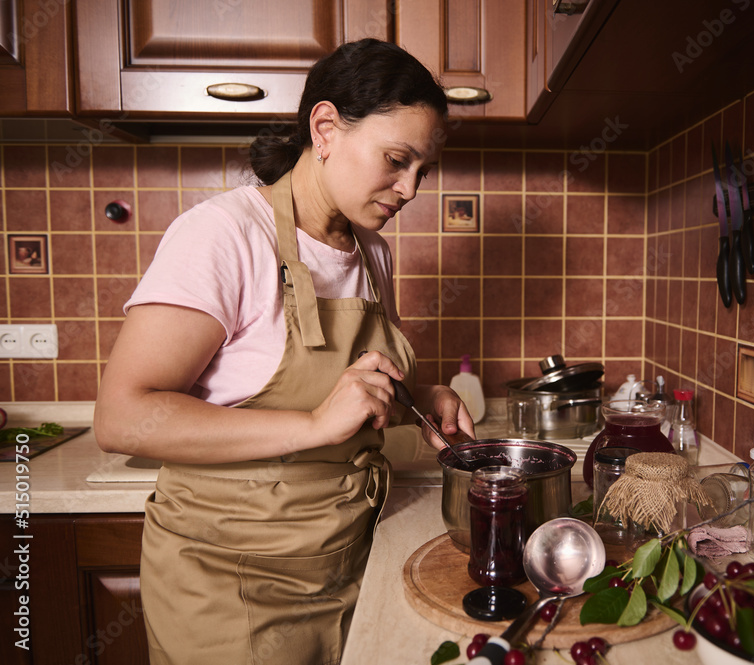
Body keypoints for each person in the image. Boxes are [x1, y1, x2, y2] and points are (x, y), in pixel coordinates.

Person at [94, 39, 472, 665]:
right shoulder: (222, 234)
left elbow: (355, 388)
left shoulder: (370, 250)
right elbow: (123, 418)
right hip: (228, 584)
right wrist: (313, 424)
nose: (409, 189)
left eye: (422, 171)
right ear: (324, 128)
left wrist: (418, 399)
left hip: (345, 561)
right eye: (397, 159)